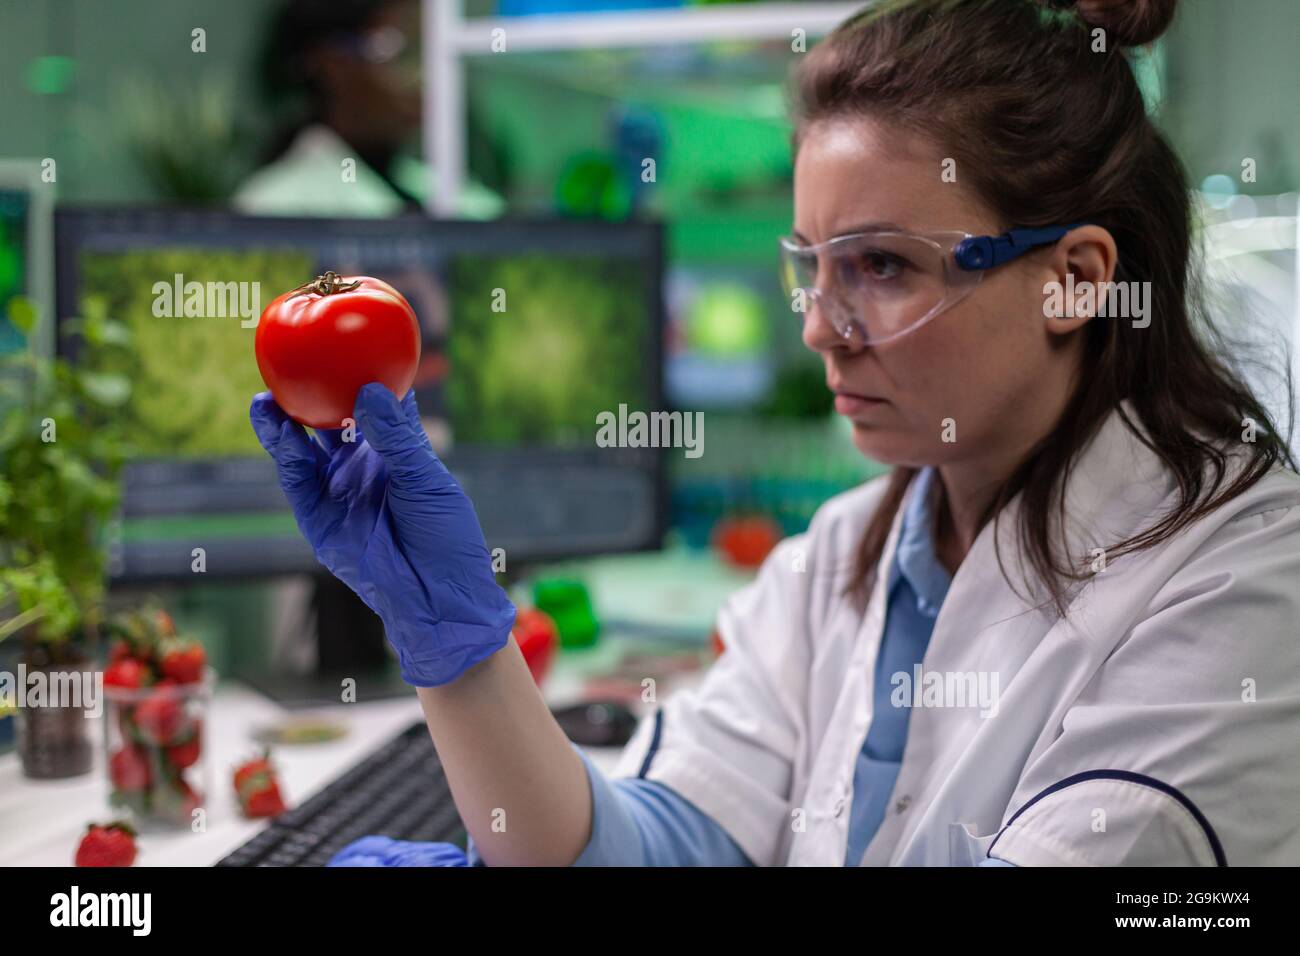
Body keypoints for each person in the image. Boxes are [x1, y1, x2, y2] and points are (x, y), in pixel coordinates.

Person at [249, 0, 1300, 866]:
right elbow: (657, 842)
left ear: (1072, 280)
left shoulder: (1242, 579)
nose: (817, 328)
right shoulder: (839, 560)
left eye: (881, 265)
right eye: (811, 264)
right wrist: (457, 649)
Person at [233, 0, 501, 218]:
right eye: (402, 51)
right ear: (333, 64)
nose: (424, 78)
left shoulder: (435, 187)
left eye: (428, 53)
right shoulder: (273, 204)